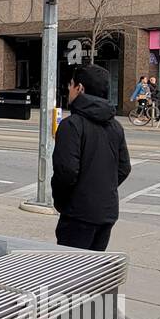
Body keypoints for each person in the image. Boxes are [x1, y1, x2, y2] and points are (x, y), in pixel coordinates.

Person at [51, 64, 132, 250]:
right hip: (107, 212)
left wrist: (64, 201)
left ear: (80, 88)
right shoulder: (115, 126)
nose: (68, 89)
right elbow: (124, 168)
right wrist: (102, 189)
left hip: (78, 213)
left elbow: (66, 172)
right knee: (92, 273)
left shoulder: (72, 125)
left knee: (72, 271)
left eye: (71, 85)